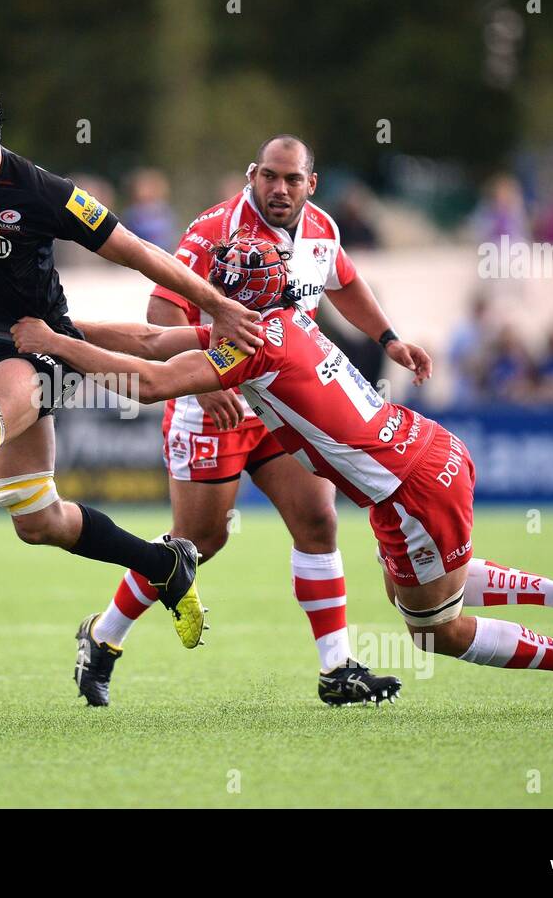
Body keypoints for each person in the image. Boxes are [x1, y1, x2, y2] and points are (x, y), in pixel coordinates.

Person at [12, 234, 553, 712]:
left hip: (408, 489)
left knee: (435, 631)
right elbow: (154, 343)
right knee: (423, 592)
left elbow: (151, 381)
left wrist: (55, 342)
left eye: (223, 287)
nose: (216, 294)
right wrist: (66, 326)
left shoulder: (248, 343)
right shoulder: (285, 317)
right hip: (428, 452)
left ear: (243, 294)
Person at [0, 77, 262, 664]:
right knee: (39, 521)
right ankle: (164, 563)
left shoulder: (40, 191)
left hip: (40, 348)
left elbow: (138, 252)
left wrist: (217, 304)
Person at [76, 134, 430, 707]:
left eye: (292, 179)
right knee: (199, 542)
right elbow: (160, 311)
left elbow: (346, 281)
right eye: (269, 176)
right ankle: (102, 637)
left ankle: (336, 667)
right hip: (213, 401)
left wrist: (388, 339)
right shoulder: (214, 229)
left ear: (311, 185)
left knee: (318, 520)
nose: (280, 188)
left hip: (284, 403)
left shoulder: (322, 229)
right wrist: (212, 383)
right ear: (252, 175)